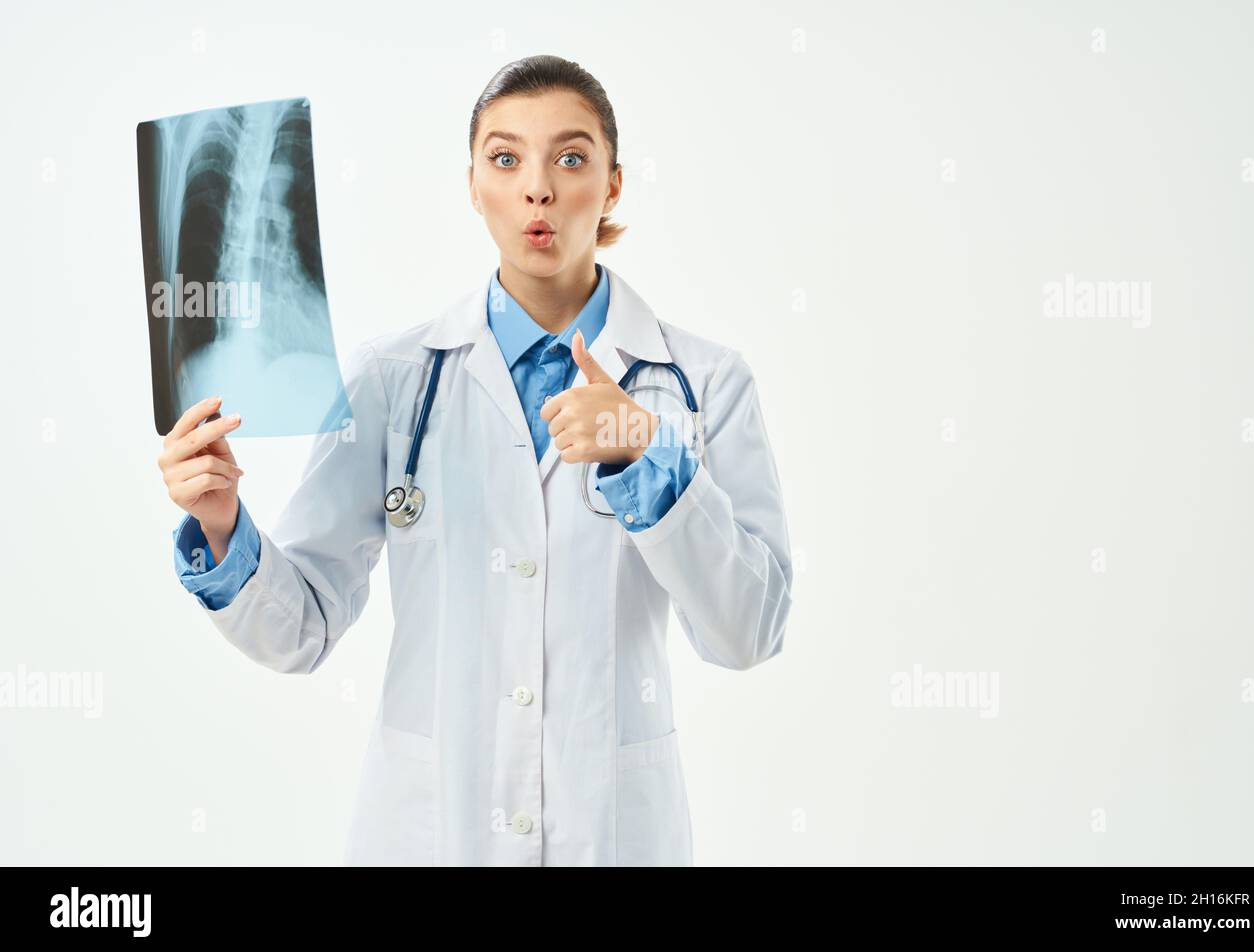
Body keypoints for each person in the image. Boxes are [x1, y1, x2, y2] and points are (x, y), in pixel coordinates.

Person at [156, 54, 793, 866]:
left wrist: (649, 460)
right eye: (505, 158)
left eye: (570, 158)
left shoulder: (703, 382)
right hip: (429, 833)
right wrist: (220, 526)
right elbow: (303, 629)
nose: (538, 188)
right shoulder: (392, 380)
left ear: (614, 185)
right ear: (472, 186)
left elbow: (749, 631)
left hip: (613, 834)